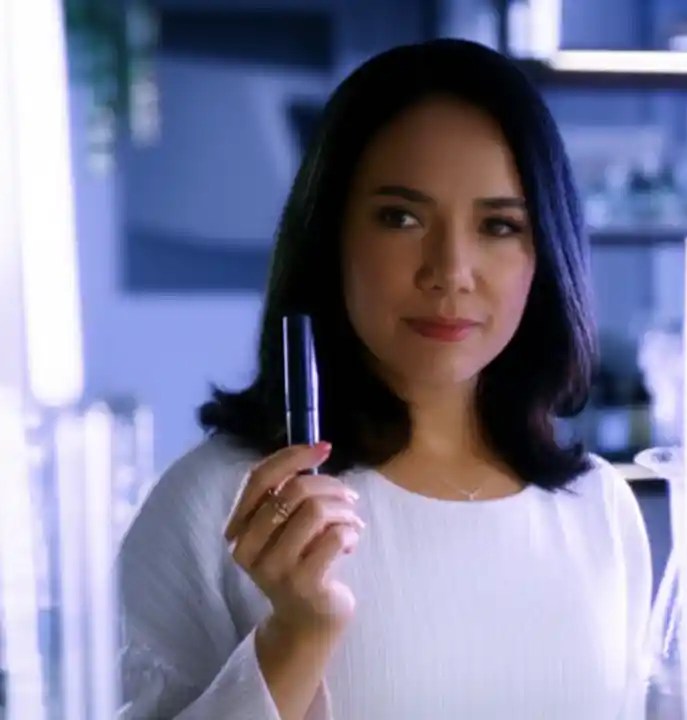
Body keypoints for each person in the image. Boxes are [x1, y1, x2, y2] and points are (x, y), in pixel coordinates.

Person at [116, 38, 652, 719]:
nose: (450, 271)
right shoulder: (218, 505)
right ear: (331, 236)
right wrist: (296, 638)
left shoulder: (597, 508)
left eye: (498, 225)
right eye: (402, 218)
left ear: (545, 252)